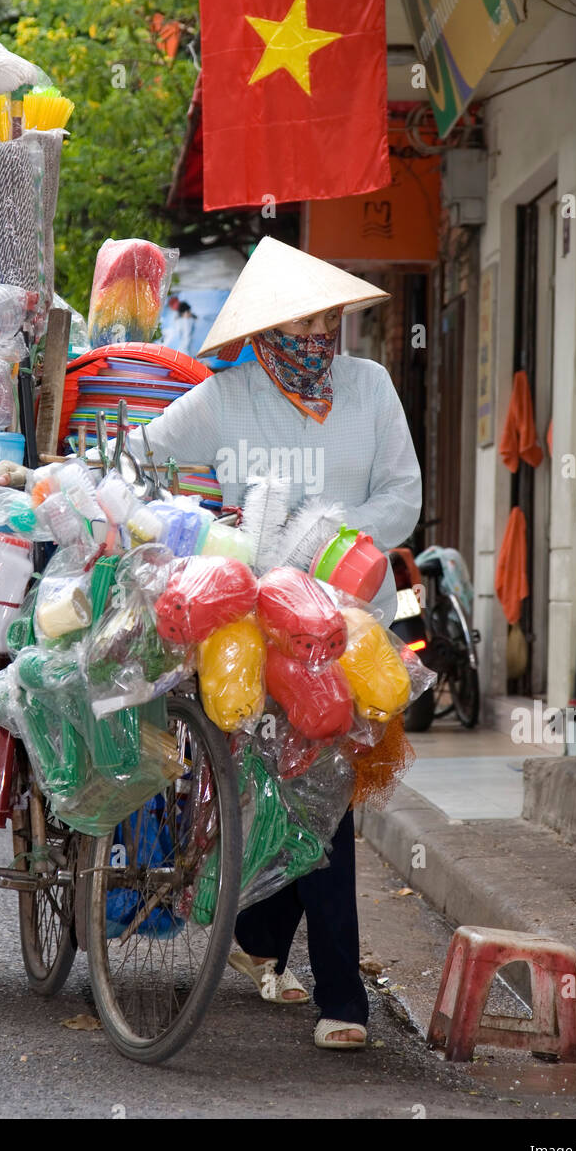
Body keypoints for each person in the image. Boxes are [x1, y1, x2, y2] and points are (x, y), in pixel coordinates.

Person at [129, 237, 422, 1050]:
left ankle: (261, 927)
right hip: (254, 630)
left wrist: (330, 540)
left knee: (324, 789)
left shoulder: (370, 387)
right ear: (267, 329)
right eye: (303, 321)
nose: (319, 335)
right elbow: (141, 458)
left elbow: (404, 490)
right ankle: (342, 997)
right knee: (306, 791)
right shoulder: (225, 400)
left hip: (356, 625)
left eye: (328, 319)